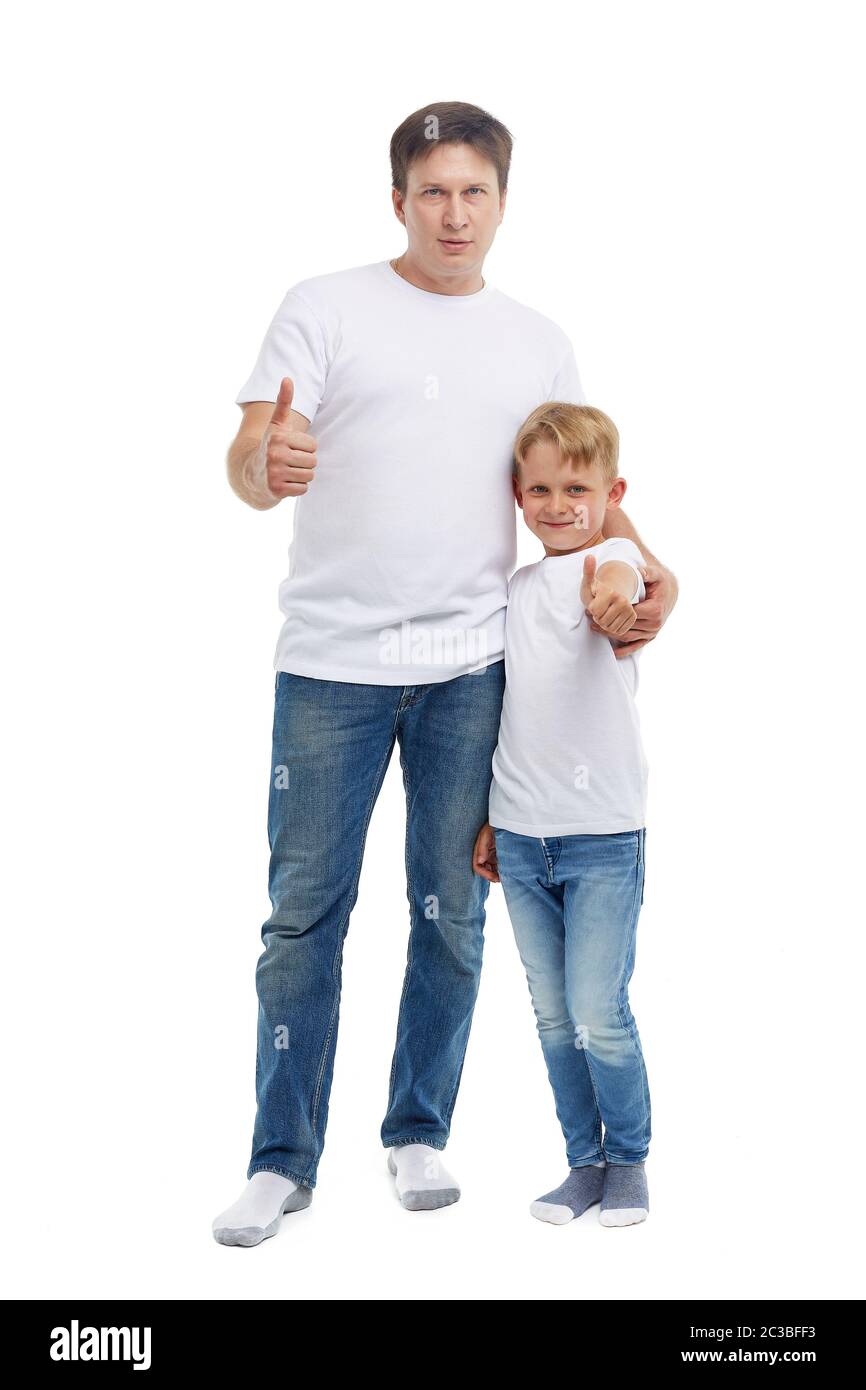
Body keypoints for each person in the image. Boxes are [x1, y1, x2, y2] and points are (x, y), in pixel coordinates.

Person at [213, 101, 677, 1247]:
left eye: (474, 192)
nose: (453, 213)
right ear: (397, 201)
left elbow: (586, 490)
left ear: (502, 202)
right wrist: (264, 466)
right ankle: (281, 1161)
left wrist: (658, 578)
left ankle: (416, 1130)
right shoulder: (320, 307)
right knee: (301, 921)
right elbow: (245, 463)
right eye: (431, 192)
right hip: (329, 667)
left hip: (473, 668)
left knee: (451, 915)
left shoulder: (536, 339)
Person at [473, 403, 654, 1227]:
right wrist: (489, 818)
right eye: (539, 488)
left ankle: (630, 1164)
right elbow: (511, 707)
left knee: (597, 1010)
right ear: (518, 495)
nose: (556, 504)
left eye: (576, 488)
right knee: (552, 1014)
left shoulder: (613, 558)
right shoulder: (514, 588)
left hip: (603, 835)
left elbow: (622, 580)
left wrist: (613, 606)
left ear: (610, 492)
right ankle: (582, 1162)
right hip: (519, 830)